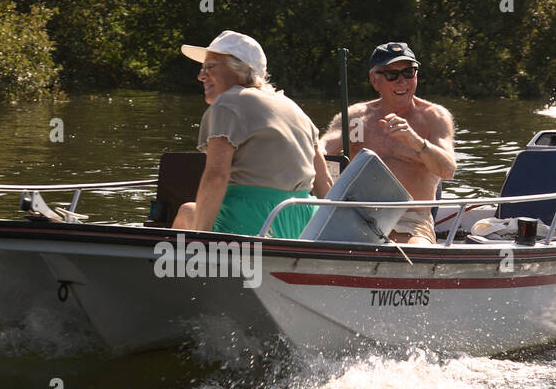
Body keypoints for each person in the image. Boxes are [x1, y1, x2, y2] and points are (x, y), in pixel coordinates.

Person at [174, 31, 332, 238]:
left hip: (255, 223)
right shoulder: (293, 108)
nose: (201, 76)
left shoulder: (228, 102)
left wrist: (201, 239)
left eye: (210, 66)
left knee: (188, 211)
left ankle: (176, 268)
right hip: (304, 225)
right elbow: (325, 185)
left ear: (239, 68)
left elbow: (216, 176)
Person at [319, 42, 455, 244]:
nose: (402, 81)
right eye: (392, 74)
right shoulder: (357, 117)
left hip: (411, 221)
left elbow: (448, 170)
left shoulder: (434, 116)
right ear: (375, 80)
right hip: (358, 217)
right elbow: (320, 152)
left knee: (415, 251)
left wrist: (416, 142)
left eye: (409, 72)